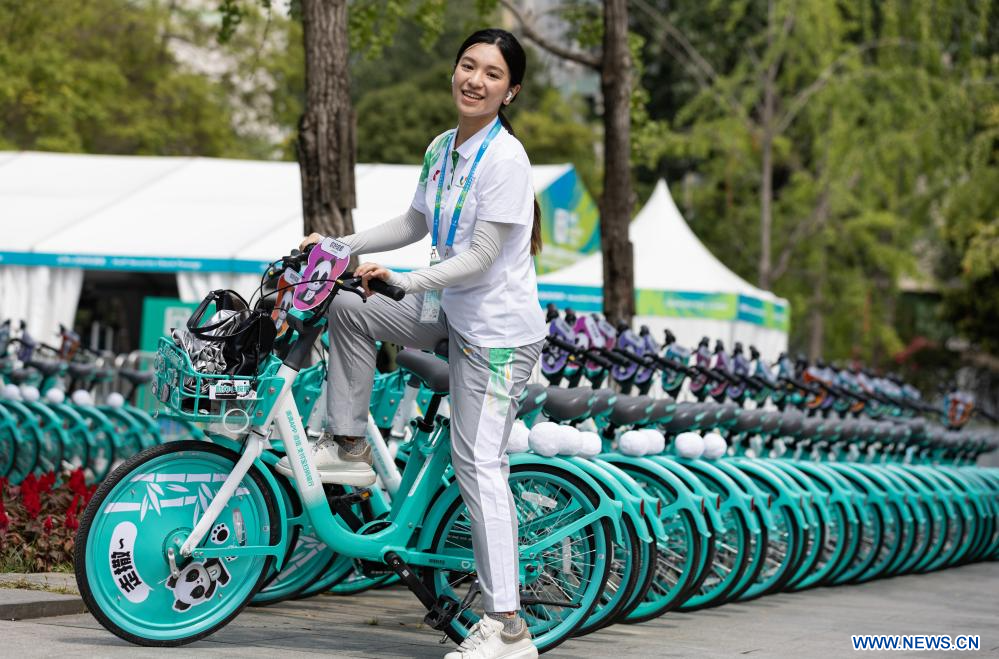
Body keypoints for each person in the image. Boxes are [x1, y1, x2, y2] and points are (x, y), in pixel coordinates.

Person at [277, 28, 546, 659]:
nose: (474, 80)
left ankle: (507, 626)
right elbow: (415, 222)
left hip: (498, 336)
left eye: (492, 74)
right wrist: (341, 247)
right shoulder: (442, 149)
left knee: (480, 467)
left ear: (510, 92)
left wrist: (406, 281)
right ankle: (346, 443)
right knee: (347, 304)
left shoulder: (507, 161)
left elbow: (482, 255)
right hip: (447, 308)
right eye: (467, 66)